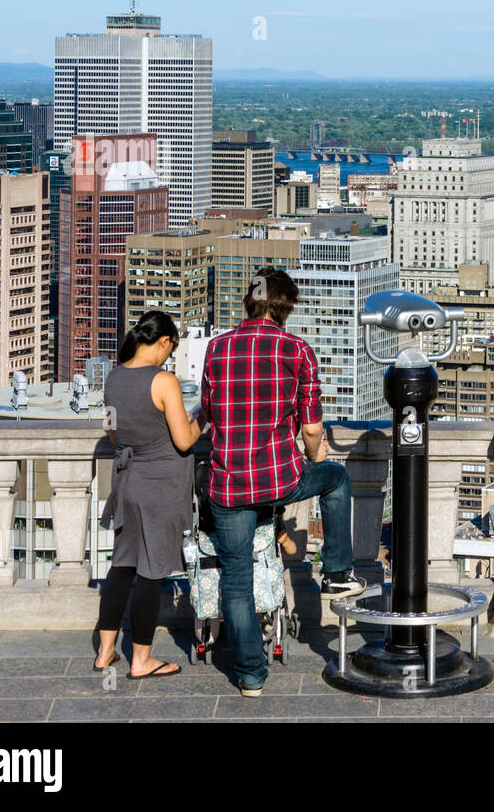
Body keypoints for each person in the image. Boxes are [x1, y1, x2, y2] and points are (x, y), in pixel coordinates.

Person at [201, 267, 365, 697]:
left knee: (236, 577)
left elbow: (209, 412)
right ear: (285, 307)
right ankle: (336, 569)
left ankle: (251, 675)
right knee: (335, 479)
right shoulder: (297, 351)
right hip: (278, 479)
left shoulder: (216, 349)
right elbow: (312, 431)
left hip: (229, 483)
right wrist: (316, 455)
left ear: (248, 302)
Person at [94, 310, 202, 678]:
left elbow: (112, 434)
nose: (169, 356)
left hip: (127, 481)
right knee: (152, 572)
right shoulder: (164, 381)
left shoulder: (113, 378)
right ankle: (141, 660)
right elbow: (184, 439)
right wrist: (202, 416)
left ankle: (105, 652)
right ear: (163, 341)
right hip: (161, 486)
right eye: (170, 349)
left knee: (121, 568)